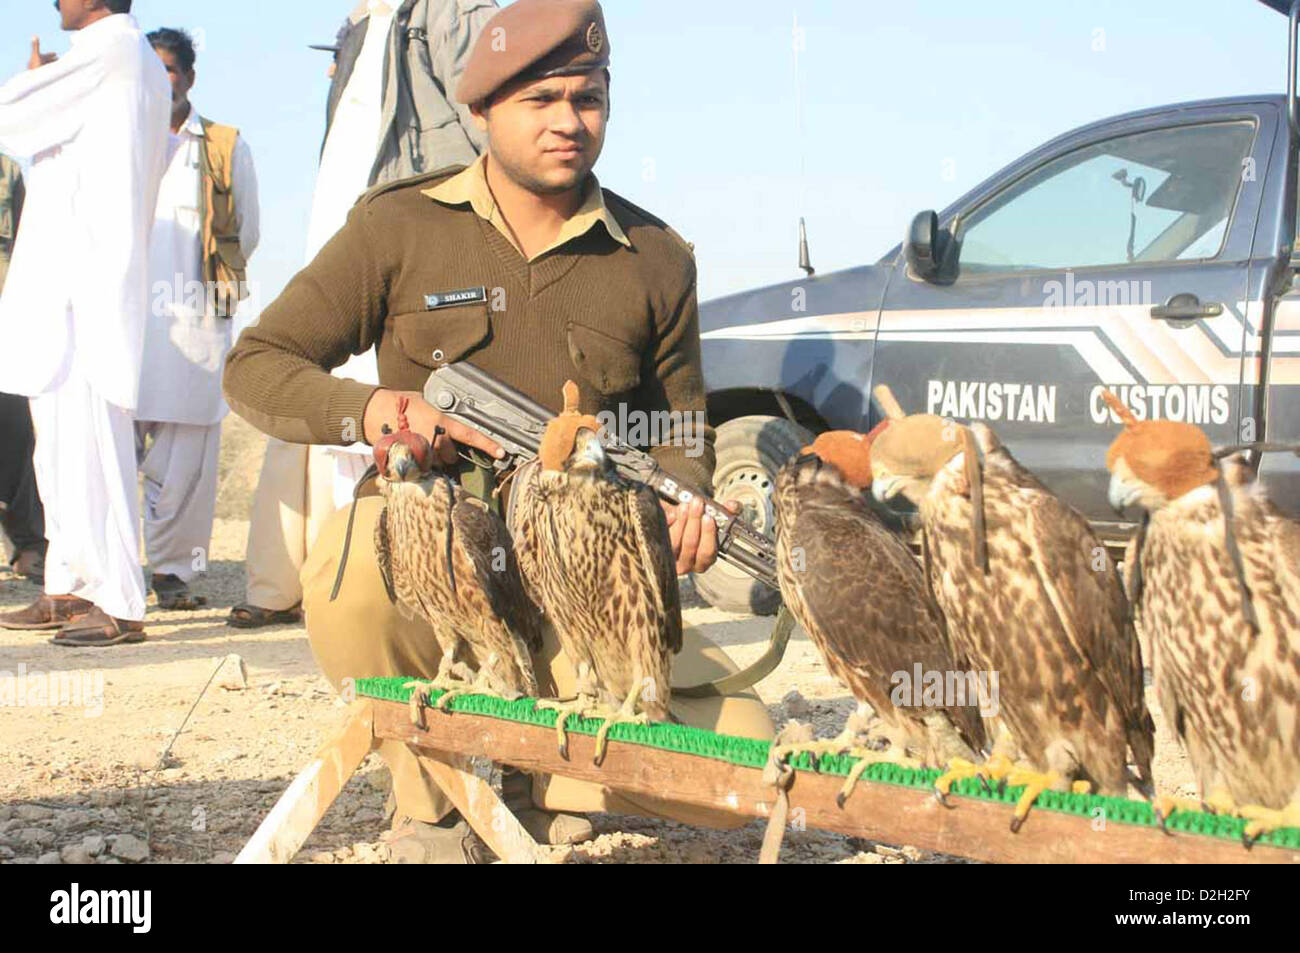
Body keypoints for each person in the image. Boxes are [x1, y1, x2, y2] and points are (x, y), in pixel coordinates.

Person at [224, 0, 774, 863]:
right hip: (436, 559)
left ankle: (545, 777)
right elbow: (256, 362)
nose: (569, 121)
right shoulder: (399, 226)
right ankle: (436, 800)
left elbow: (677, 429)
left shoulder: (656, 257)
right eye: (541, 99)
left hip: (582, 583)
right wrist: (374, 411)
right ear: (480, 109)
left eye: (588, 98)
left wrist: (690, 502)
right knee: (352, 576)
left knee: (739, 768)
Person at [229, 0, 498, 629]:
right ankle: (288, 581)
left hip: (423, 223)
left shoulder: (456, 8)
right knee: (306, 377)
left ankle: (366, 588)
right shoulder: (357, 24)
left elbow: (491, 124)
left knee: (404, 404)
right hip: (350, 215)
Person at [0, 0, 170, 644]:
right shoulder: (114, 57)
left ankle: (121, 603)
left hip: (89, 279)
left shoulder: (113, 50)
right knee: (61, 445)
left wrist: (33, 77)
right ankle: (69, 588)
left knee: (96, 444)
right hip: (67, 280)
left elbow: (10, 113)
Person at [133, 27, 259, 611]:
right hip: (123, 327)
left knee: (186, 457)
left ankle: (174, 574)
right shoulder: (119, 137)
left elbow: (246, 233)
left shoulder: (223, 147)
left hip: (191, 321)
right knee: (107, 451)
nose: (162, 81)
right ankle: (100, 578)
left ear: (189, 76)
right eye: (151, 70)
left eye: (171, 70)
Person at [0, 153, 46, 586]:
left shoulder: (7, 171)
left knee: (17, 437)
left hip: (6, 329)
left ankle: (29, 545)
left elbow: (30, 250)